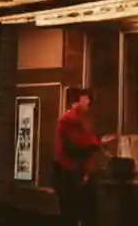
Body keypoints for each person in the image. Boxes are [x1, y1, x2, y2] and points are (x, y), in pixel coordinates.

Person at [53, 88, 112, 226]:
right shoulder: (69, 120)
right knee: (73, 213)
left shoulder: (81, 120)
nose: (88, 102)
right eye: (85, 98)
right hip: (69, 173)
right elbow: (77, 144)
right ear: (76, 102)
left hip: (79, 172)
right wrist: (95, 143)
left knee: (83, 212)